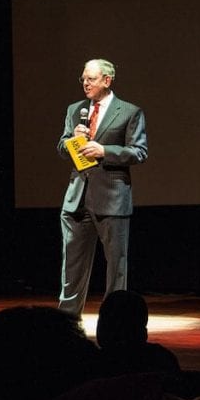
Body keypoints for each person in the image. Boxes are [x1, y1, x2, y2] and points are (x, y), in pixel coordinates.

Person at [56, 58, 148, 318]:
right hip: (77, 199)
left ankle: (115, 320)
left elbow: (139, 152)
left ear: (107, 81)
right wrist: (73, 140)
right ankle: (67, 321)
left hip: (111, 199)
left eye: (91, 79)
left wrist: (104, 150)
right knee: (71, 266)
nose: (85, 83)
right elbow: (62, 147)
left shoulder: (129, 112)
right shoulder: (75, 110)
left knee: (115, 267)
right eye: (83, 78)